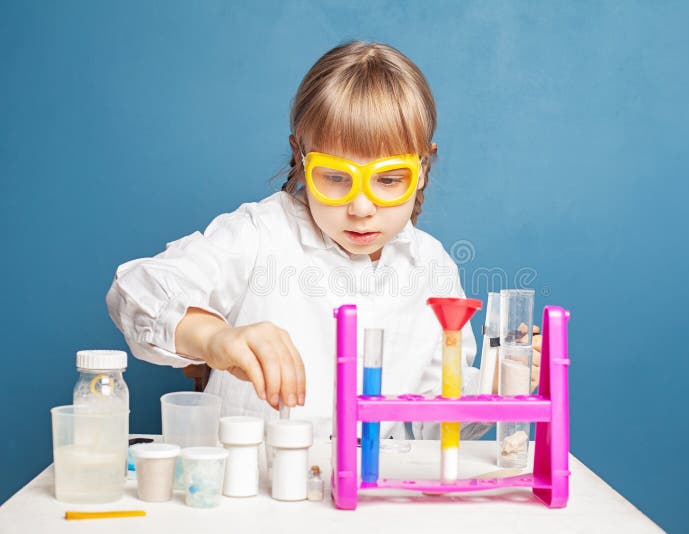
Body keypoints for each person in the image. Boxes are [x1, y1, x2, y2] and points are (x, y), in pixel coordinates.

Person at [106, 40, 539, 439]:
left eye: (389, 179)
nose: (362, 208)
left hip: (369, 499)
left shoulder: (432, 267)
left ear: (423, 167)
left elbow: (432, 428)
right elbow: (136, 291)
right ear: (301, 157)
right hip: (257, 494)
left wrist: (499, 389)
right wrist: (214, 339)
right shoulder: (262, 232)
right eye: (335, 177)